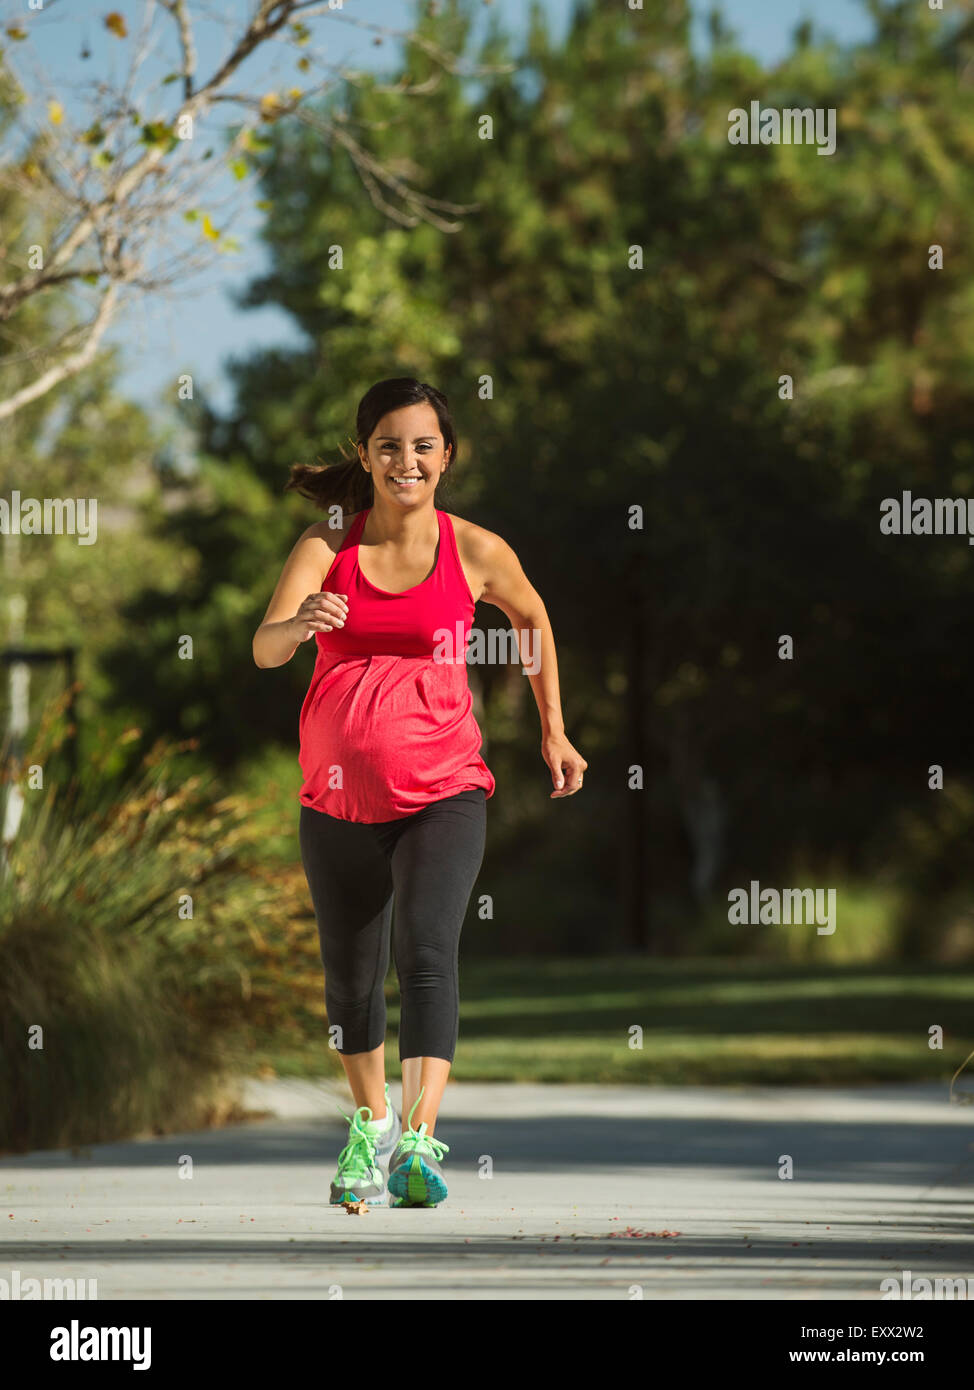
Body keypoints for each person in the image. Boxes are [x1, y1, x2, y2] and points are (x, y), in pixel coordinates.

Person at [252, 377, 587, 1208]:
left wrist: (553, 728)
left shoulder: (475, 549)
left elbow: (534, 622)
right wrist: (299, 627)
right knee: (349, 979)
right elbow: (263, 649)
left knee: (428, 956)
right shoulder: (324, 545)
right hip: (334, 800)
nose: (408, 460)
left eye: (424, 445)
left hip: (444, 789)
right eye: (391, 445)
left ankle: (419, 1142)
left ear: (446, 457)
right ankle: (369, 1130)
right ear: (364, 454)